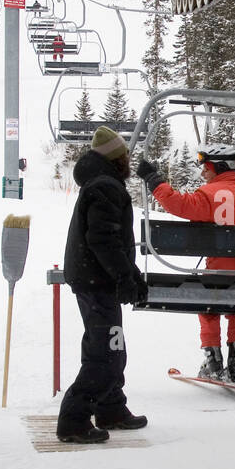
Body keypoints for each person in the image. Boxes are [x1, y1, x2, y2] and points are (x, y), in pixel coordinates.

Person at [136, 145, 235, 386]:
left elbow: (177, 204)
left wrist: (154, 180)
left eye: (205, 167)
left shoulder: (209, 194)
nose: (203, 173)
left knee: (209, 306)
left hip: (218, 272)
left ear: (217, 166)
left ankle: (214, 361)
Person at [59, 126, 149, 443]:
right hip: (98, 281)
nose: (128, 159)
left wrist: (127, 274)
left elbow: (106, 239)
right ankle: (74, 420)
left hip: (93, 279)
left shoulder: (99, 184)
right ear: (116, 157)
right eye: (124, 153)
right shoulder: (107, 187)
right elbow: (103, 240)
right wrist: (125, 276)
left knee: (110, 347)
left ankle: (110, 408)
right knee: (107, 354)